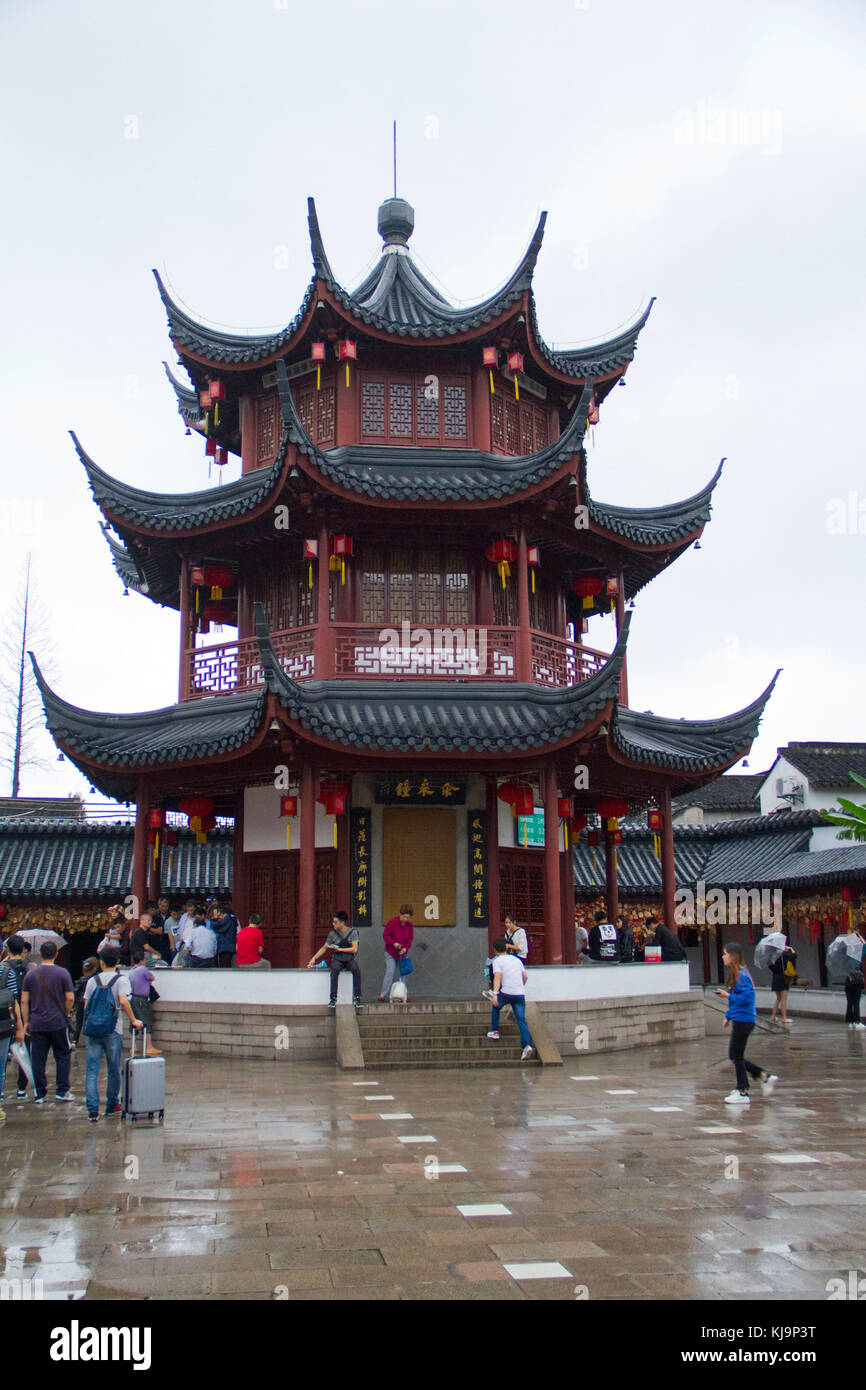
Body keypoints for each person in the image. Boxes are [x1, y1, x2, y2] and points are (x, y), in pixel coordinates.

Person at [82, 945, 144, 1121]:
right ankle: (111, 1105)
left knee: (92, 1069)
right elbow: (123, 1001)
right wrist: (133, 1020)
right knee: (113, 1068)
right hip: (113, 1029)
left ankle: (93, 1110)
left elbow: (86, 1006)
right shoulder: (121, 980)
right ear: (117, 962)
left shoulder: (92, 981)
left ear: (101, 962)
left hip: (93, 1030)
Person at [716, 942, 778, 1105]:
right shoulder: (736, 974)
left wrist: (727, 996)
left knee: (736, 1056)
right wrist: (728, 1016)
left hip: (744, 1020)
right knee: (735, 1056)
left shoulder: (741, 975)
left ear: (733, 956)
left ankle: (743, 1090)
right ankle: (763, 1077)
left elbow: (747, 998)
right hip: (740, 1019)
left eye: (725, 954)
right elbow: (735, 1000)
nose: (723, 957)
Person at [20, 942, 75, 1105]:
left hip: (37, 1022)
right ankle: (62, 1090)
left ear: (40, 954)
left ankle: (39, 1092)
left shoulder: (31, 974)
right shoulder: (63, 973)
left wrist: (26, 1022)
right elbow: (70, 997)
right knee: (63, 1055)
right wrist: (67, 1012)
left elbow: (24, 1001)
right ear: (56, 954)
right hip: (58, 1021)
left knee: (38, 1057)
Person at [485, 937, 534, 1061]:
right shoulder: (517, 960)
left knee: (496, 1006)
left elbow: (497, 977)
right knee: (521, 1020)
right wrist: (520, 986)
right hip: (519, 994)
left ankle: (495, 1031)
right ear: (506, 948)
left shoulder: (497, 961)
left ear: (494, 950)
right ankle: (527, 1045)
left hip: (506, 992)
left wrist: (495, 994)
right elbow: (525, 976)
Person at [308, 911, 362, 1010]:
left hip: (349, 958)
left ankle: (357, 997)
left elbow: (355, 949)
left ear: (342, 922)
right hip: (337, 959)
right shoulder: (332, 934)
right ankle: (333, 998)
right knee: (335, 970)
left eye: (335, 922)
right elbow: (324, 947)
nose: (333, 924)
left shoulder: (353, 932)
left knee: (356, 969)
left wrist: (339, 949)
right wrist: (314, 958)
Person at [0, 936, 27, 1118]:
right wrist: (19, 1028)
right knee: (0, 1065)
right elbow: (14, 1000)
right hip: (2, 1023)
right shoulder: (6, 971)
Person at [128, 950, 163, 1055]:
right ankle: (148, 1046)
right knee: (146, 1020)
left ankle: (133, 1046)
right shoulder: (143, 969)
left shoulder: (131, 970)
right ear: (143, 960)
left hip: (132, 998)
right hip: (142, 999)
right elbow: (152, 977)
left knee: (134, 1021)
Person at [379, 905, 414, 1001]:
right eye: (404, 917)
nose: (405, 919)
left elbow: (410, 939)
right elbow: (385, 935)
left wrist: (405, 948)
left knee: (403, 974)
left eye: (407, 917)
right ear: (400, 914)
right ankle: (383, 994)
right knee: (390, 972)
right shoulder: (392, 923)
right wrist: (393, 943)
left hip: (402, 953)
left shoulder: (409, 926)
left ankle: (403, 995)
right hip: (390, 952)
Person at [71, 956, 100, 1047]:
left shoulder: (81, 979)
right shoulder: (97, 980)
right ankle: (92, 1041)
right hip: (92, 1003)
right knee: (91, 1022)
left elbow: (75, 992)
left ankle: (74, 1041)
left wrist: (73, 1006)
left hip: (81, 1002)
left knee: (78, 1023)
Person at [769, 937, 797, 1029]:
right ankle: (784, 1017)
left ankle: (773, 1016)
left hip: (775, 978)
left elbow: (771, 967)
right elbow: (794, 956)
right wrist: (790, 949)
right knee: (784, 998)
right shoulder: (784, 955)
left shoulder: (772, 957)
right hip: (783, 978)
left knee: (778, 998)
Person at [843, 923, 866, 1030]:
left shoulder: (846, 954)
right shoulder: (857, 954)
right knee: (856, 1001)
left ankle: (850, 1021)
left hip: (848, 979)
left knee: (850, 1001)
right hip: (856, 980)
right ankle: (857, 1021)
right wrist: (861, 938)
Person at [210, 903, 239, 969]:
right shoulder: (230, 919)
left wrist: (214, 920)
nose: (214, 916)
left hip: (226, 948)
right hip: (227, 947)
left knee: (225, 968)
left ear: (220, 912)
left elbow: (217, 927)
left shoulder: (227, 920)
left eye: (215, 914)